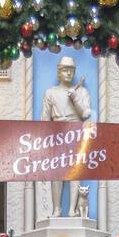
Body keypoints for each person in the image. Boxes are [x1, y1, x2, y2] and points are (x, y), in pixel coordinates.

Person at [40, 55, 93, 218]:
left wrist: (75, 98)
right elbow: (44, 119)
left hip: (76, 131)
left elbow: (86, 114)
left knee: (75, 171)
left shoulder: (82, 91)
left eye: (71, 70)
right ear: (59, 72)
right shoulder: (51, 92)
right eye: (65, 70)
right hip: (57, 132)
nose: (69, 73)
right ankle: (57, 208)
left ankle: (72, 209)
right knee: (57, 172)